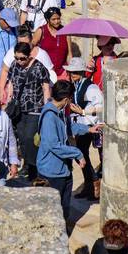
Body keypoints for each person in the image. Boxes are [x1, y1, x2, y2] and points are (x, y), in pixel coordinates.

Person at [37, 80, 94, 230]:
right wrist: (78, 153)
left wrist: (88, 129)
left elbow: (68, 127)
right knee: (53, 210)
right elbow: (54, 145)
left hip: (62, 169)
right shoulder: (50, 116)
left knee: (64, 206)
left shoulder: (59, 112)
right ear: (66, 99)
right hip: (52, 171)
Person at [1, 40, 51, 177]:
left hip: (35, 108)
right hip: (18, 108)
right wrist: (9, 100)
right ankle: (27, 165)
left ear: (29, 56)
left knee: (30, 137)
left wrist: (47, 108)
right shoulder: (14, 65)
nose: (19, 61)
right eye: (16, 58)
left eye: (22, 58)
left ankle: (35, 166)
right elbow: (11, 83)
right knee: (21, 138)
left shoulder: (39, 68)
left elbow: (46, 88)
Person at [67, 58, 104, 199]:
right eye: (71, 72)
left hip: (90, 124)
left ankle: (94, 184)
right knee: (80, 153)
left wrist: (83, 112)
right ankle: (90, 185)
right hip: (81, 124)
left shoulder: (91, 87)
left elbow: (101, 106)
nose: (73, 75)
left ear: (82, 72)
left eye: (75, 72)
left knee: (81, 153)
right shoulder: (76, 85)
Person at [32, 6, 71, 82]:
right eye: (53, 19)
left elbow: (69, 54)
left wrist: (70, 70)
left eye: (58, 18)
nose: (56, 21)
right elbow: (32, 49)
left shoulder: (66, 32)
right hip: (44, 73)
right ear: (47, 20)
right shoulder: (41, 31)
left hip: (62, 72)